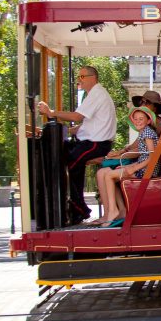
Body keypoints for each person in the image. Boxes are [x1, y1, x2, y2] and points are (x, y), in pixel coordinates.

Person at [36, 65, 116, 225]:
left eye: (82, 76)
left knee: (72, 161)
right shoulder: (94, 95)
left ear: (93, 77)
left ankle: (79, 209)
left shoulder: (97, 94)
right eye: (79, 77)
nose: (79, 80)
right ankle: (73, 206)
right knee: (67, 156)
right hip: (92, 141)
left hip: (97, 144)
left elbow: (77, 116)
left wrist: (51, 113)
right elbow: (85, 125)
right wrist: (64, 131)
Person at [93, 106, 160, 226]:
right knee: (112, 176)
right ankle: (121, 210)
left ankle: (113, 210)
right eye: (136, 119)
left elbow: (152, 156)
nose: (138, 121)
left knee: (109, 176)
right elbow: (143, 156)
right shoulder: (144, 132)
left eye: (141, 119)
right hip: (143, 167)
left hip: (146, 170)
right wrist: (127, 166)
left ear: (148, 120)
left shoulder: (148, 133)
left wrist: (133, 168)